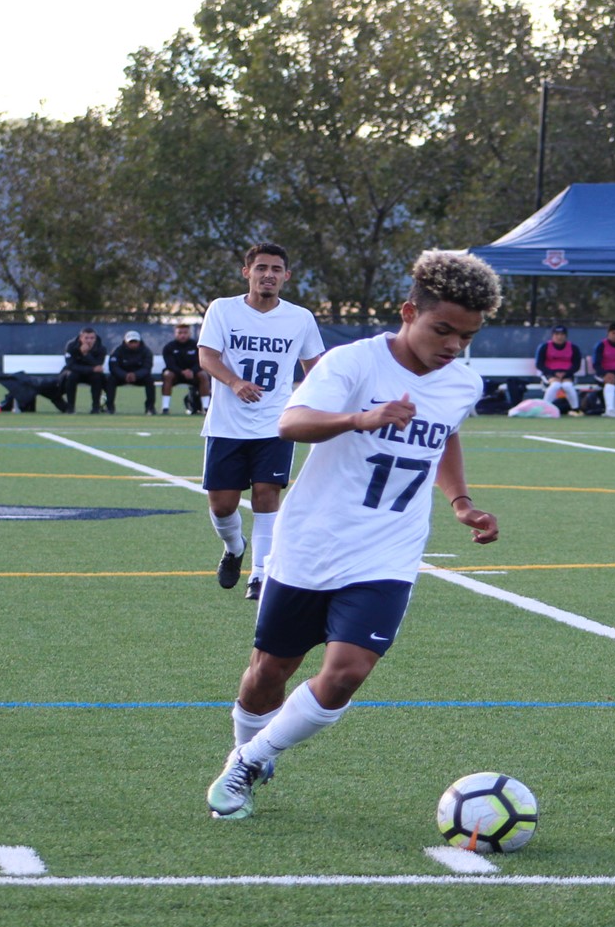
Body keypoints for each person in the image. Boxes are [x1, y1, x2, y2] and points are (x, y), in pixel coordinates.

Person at [205, 250, 502, 821]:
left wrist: (461, 502)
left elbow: (446, 435)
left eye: (466, 337)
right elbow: (291, 423)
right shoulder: (353, 364)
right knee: (268, 675)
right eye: (442, 330)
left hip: (388, 551)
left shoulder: (462, 382)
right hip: (312, 543)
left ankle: (250, 761)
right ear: (408, 310)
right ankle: (244, 746)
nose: (452, 347)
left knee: (346, 674)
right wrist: (359, 419)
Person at [197, 242, 328, 600]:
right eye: (261, 268)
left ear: (286, 276)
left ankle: (260, 574)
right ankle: (234, 547)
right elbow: (207, 356)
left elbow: (315, 368)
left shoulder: (300, 318)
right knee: (222, 506)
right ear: (247, 273)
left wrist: (315, 403)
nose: (268, 275)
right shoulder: (222, 310)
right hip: (226, 424)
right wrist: (235, 382)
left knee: (266, 496)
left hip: (276, 425)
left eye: (275, 269)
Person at [108, 329, 159, 415]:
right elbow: (114, 367)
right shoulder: (117, 351)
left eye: (135, 342)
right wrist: (124, 375)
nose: (133, 344)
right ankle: (109, 407)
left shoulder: (146, 351)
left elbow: (147, 368)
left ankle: (150, 408)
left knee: (150, 380)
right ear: (125, 342)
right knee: (111, 380)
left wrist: (136, 375)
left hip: (139, 377)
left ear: (139, 342)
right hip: (122, 376)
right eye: (130, 342)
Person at [533, 326, 582, 413]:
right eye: (557, 334)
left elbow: (576, 365)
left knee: (568, 386)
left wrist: (566, 373)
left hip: (567, 374)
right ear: (552, 335)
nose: (559, 337)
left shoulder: (573, 348)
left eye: (562, 334)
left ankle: (575, 409)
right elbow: (539, 364)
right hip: (549, 373)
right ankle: (544, 409)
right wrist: (553, 373)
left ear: (566, 336)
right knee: (555, 385)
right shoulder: (544, 347)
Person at [62, 327, 111, 413]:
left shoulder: (101, 348)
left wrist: (86, 354)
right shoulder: (71, 346)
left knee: (97, 377)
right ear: (81, 338)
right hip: (76, 372)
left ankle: (96, 408)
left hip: (92, 374)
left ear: (95, 338)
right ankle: (70, 408)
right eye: (86, 338)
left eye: (92, 338)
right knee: (71, 376)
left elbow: (98, 366)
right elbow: (71, 366)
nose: (89, 340)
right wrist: (91, 369)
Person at [161, 322, 204, 416]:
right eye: (180, 333)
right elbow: (170, 364)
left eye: (185, 333)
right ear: (175, 334)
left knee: (203, 374)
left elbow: (201, 362)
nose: (182, 335)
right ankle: (165, 407)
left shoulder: (197, 346)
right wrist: (182, 372)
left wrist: (192, 371)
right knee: (167, 374)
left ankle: (206, 407)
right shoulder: (169, 347)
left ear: (189, 333)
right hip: (176, 375)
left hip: (193, 375)